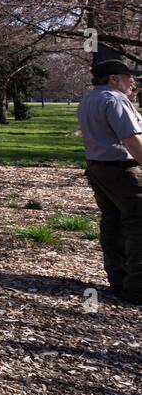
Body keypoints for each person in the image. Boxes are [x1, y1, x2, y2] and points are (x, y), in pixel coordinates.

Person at [77, 57, 142, 302]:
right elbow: (131, 140)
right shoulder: (115, 100)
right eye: (129, 77)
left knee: (112, 223)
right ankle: (136, 288)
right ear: (113, 79)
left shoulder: (88, 99)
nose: (132, 82)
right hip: (123, 171)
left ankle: (118, 279)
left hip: (98, 168)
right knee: (137, 226)